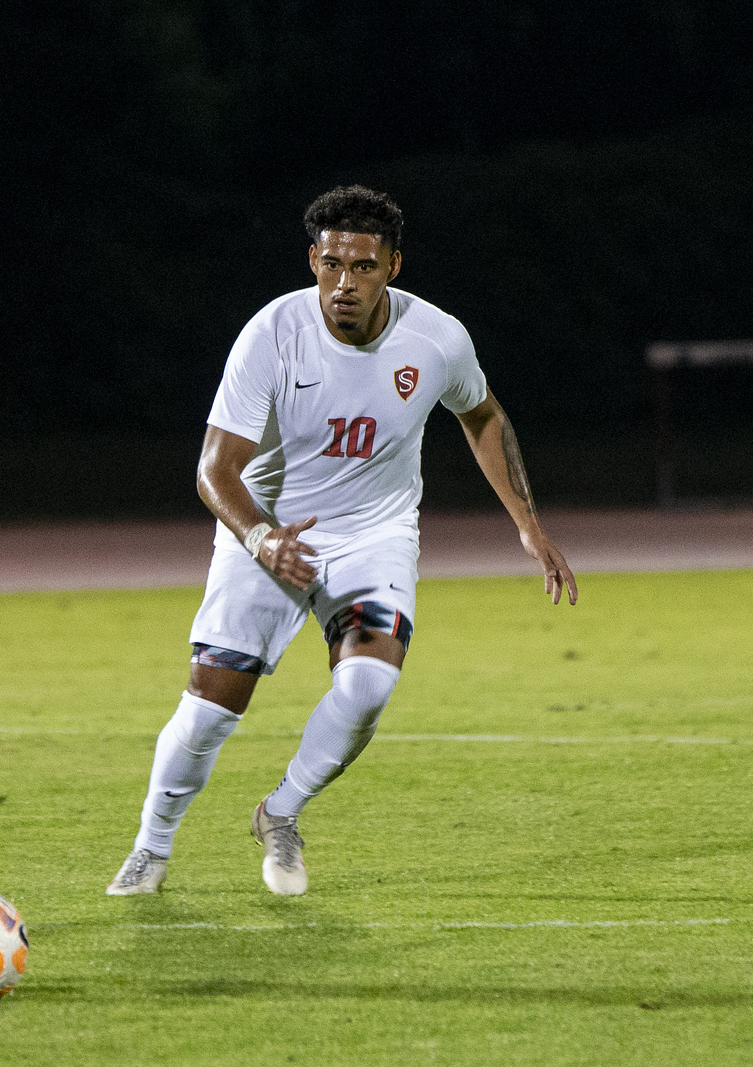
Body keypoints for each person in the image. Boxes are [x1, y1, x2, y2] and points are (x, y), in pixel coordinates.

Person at [106, 185, 577, 899]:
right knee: (209, 708)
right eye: (330, 265)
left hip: (372, 534)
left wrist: (527, 523)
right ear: (312, 261)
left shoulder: (437, 339)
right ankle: (151, 847)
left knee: (367, 684)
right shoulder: (272, 333)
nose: (343, 284)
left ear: (393, 265)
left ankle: (280, 811)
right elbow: (214, 468)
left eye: (361, 267)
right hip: (263, 529)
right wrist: (262, 538)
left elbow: (482, 415)